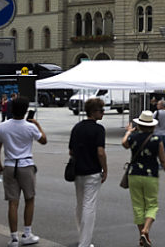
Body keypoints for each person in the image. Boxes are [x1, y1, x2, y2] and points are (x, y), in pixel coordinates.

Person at [0, 96, 47, 247]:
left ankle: (13, 238)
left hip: (9, 165)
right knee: (29, 199)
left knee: (13, 202)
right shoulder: (30, 127)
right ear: (25, 111)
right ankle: (27, 233)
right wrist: (37, 125)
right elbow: (44, 140)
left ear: (11, 109)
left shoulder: (3, 126)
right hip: (26, 165)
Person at [121, 110, 165, 247]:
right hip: (150, 175)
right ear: (152, 126)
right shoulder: (157, 140)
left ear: (139, 125)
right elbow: (163, 160)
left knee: (138, 206)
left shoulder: (134, 137)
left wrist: (128, 132)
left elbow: (124, 143)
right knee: (152, 205)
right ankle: (146, 229)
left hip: (134, 174)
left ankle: (142, 236)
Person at [69, 97, 107, 247]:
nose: (103, 113)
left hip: (78, 170)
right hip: (93, 171)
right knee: (89, 206)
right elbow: (100, 152)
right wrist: (105, 168)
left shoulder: (77, 127)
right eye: (101, 110)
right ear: (94, 112)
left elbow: (71, 150)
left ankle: (82, 237)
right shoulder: (99, 129)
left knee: (80, 204)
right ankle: (85, 242)